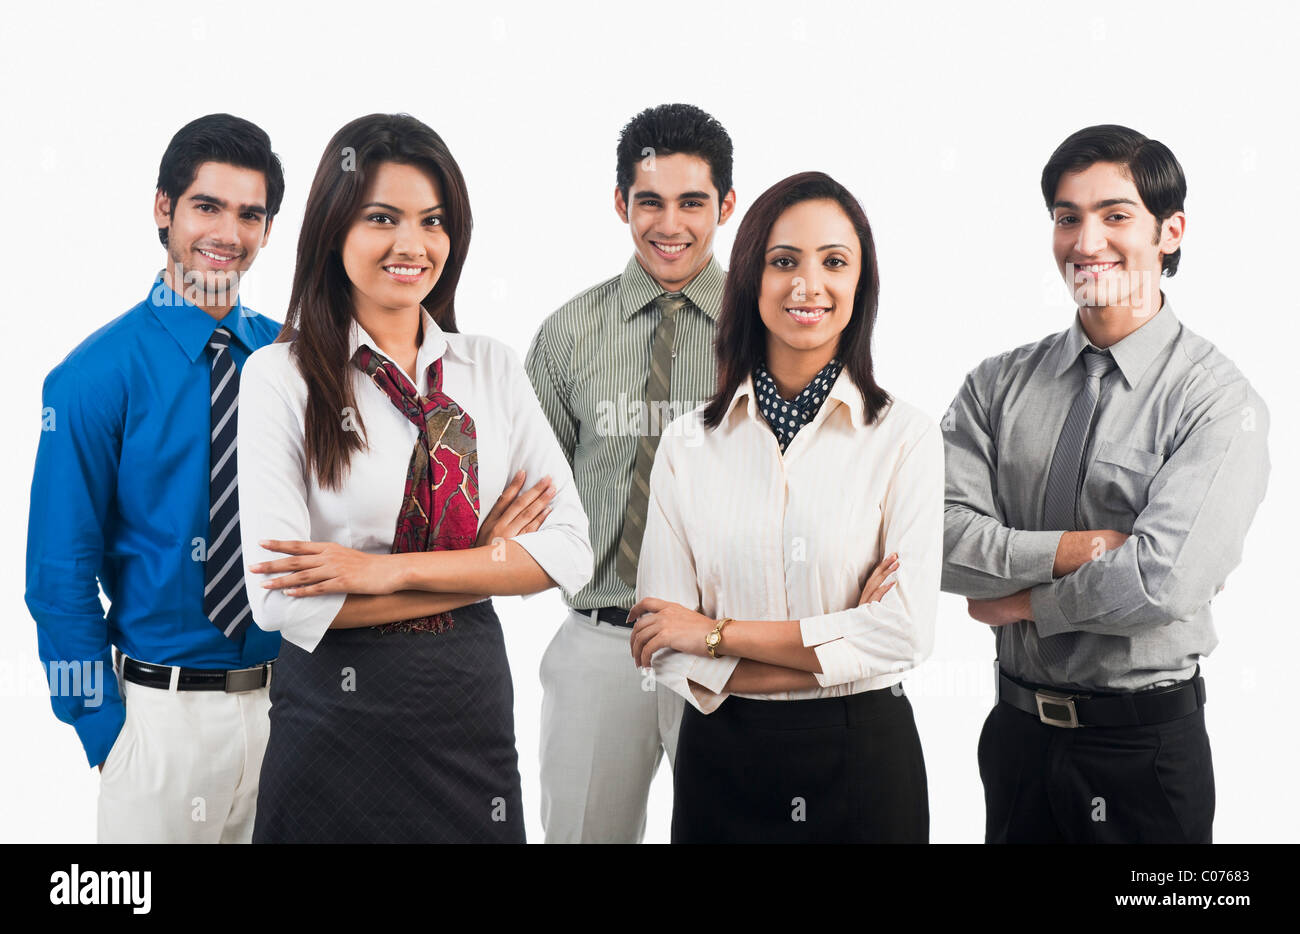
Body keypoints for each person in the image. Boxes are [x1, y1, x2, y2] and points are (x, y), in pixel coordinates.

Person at [237, 113, 593, 843]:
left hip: (465, 717)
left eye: (433, 221)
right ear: (334, 229)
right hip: (333, 725)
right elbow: (277, 602)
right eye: (381, 218)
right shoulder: (280, 377)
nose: (413, 244)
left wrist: (376, 575)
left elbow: (571, 553)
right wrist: (485, 567)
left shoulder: (489, 368)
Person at [941, 125, 1271, 844]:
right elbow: (937, 539)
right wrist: (1081, 549)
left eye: (1115, 215)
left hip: (1143, 755)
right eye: (1067, 217)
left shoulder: (1218, 402)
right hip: (1016, 739)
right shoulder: (995, 386)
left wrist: (1021, 601)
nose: (1086, 242)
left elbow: (1163, 582)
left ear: (1170, 231)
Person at [629, 172, 943, 844]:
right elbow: (662, 642)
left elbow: (903, 635)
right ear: (749, 278)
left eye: (834, 262)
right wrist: (837, 635)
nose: (808, 285)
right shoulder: (688, 444)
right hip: (723, 761)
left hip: (864, 760)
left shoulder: (906, 437)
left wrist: (714, 634)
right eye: (783, 262)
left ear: (861, 286)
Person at [25, 114, 286, 842]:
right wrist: (106, 733)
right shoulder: (91, 378)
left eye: (250, 214)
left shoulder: (289, 363)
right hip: (157, 727)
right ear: (163, 208)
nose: (228, 233)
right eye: (207, 206)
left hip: (286, 716)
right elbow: (58, 577)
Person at [525, 103, 736, 843]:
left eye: (692, 203)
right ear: (622, 204)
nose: (668, 224)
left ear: (727, 206)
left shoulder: (768, 329)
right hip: (597, 642)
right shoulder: (567, 333)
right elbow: (527, 499)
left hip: (724, 645)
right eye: (649, 201)